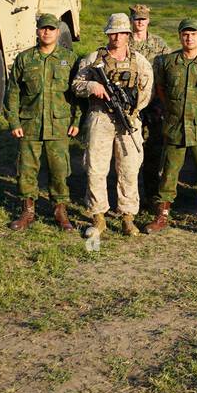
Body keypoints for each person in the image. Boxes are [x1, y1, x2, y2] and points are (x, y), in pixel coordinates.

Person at [73, 13, 154, 237]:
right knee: (95, 167)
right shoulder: (93, 59)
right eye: (112, 33)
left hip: (128, 118)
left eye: (121, 33)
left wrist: (133, 109)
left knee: (129, 167)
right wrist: (92, 87)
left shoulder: (139, 61)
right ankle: (98, 217)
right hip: (100, 117)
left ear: (128, 35)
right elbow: (76, 85)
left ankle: (128, 217)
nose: (116, 37)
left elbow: (147, 90)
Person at [146, 19, 197, 235]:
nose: (189, 38)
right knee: (168, 173)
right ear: (180, 36)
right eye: (185, 34)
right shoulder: (168, 62)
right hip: (175, 127)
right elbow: (162, 89)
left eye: (193, 34)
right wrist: (172, 109)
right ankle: (161, 216)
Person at [3, 13, 80, 231]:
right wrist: (14, 121)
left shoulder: (69, 59)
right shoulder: (25, 59)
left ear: (57, 31)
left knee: (60, 170)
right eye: (43, 28)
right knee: (26, 169)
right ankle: (28, 211)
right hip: (30, 124)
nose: (46, 32)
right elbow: (13, 92)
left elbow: (77, 94)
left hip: (59, 124)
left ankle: (60, 211)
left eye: (51, 29)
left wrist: (77, 120)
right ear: (37, 30)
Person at [128, 4, 170, 208]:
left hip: (154, 103)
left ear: (148, 21)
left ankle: (153, 194)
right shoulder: (123, 42)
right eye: (137, 18)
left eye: (143, 19)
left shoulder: (159, 44)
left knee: (154, 147)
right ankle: (129, 194)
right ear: (132, 20)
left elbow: (168, 70)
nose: (140, 22)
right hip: (129, 103)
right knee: (129, 150)